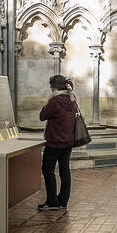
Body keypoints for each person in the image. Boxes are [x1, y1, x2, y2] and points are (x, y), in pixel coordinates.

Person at [37, 74, 77, 212]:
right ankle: (63, 202)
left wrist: (47, 102)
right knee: (64, 170)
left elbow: (42, 116)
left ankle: (52, 202)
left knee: (48, 170)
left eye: (50, 87)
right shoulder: (72, 100)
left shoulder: (55, 101)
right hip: (68, 142)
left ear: (54, 87)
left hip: (54, 142)